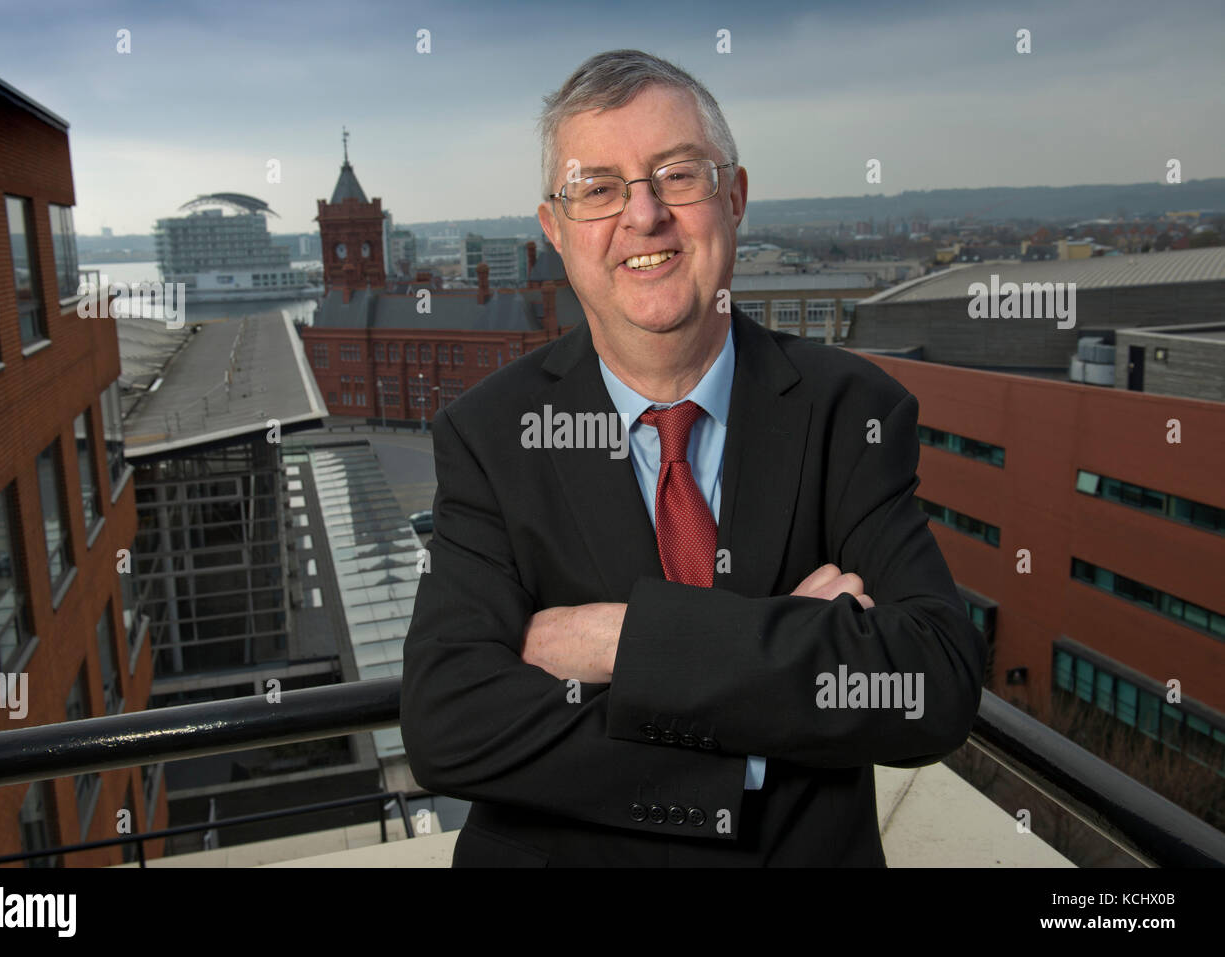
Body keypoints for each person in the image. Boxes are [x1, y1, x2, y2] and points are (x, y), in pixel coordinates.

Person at [400, 49, 987, 866]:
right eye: (598, 189)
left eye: (678, 176)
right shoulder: (494, 433)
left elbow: (930, 681)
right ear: (557, 232)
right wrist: (773, 685)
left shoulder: (850, 410)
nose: (644, 217)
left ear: (734, 199)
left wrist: (626, 641)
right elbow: (448, 721)